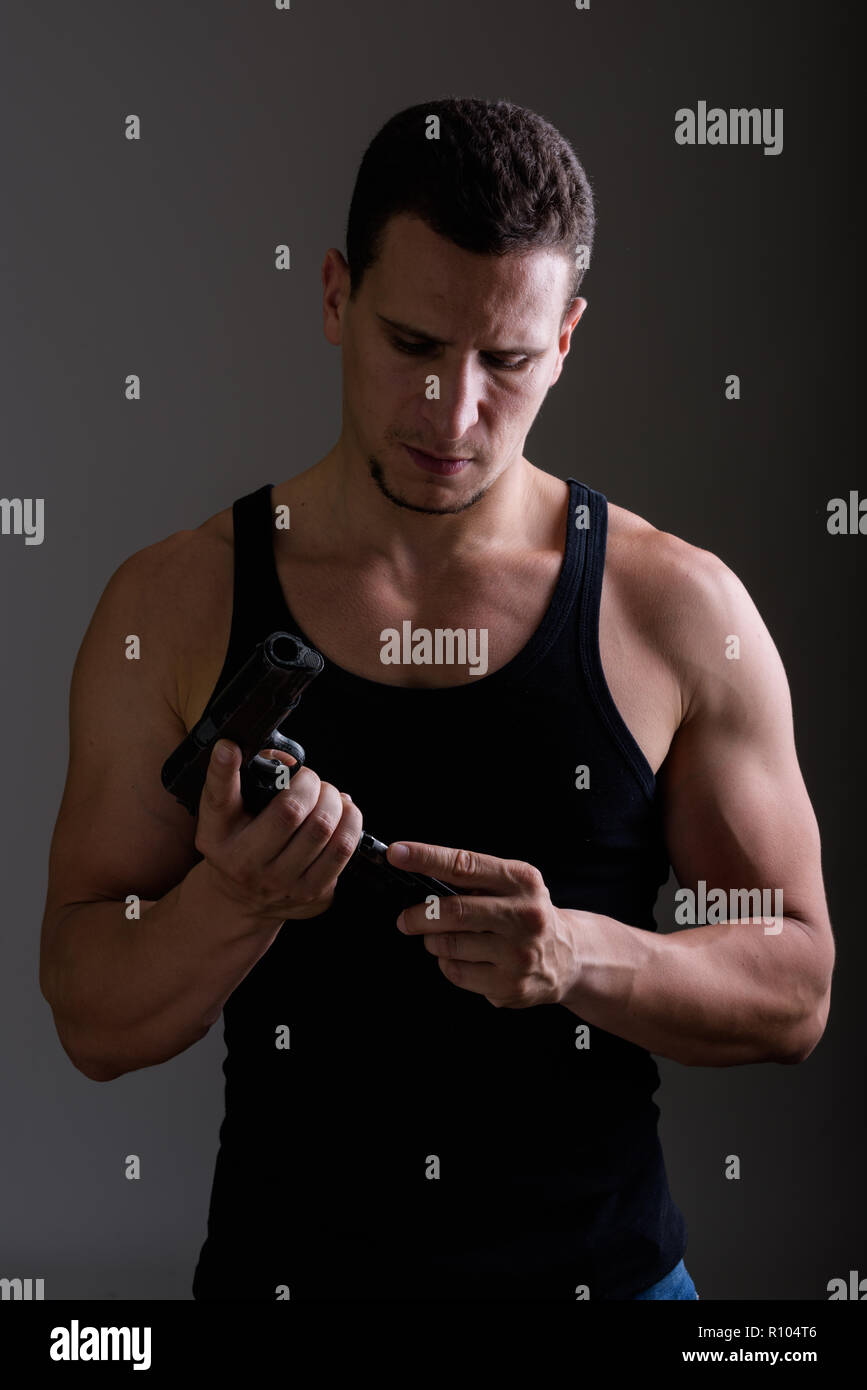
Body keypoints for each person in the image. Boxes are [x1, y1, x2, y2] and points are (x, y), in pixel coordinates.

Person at [39, 97, 834, 1301]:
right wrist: (233, 903)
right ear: (333, 299)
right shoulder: (180, 604)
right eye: (412, 345)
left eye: (506, 363)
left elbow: (796, 982)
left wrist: (576, 956)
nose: (452, 418)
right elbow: (90, 1016)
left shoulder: (675, 609)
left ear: (565, 341)